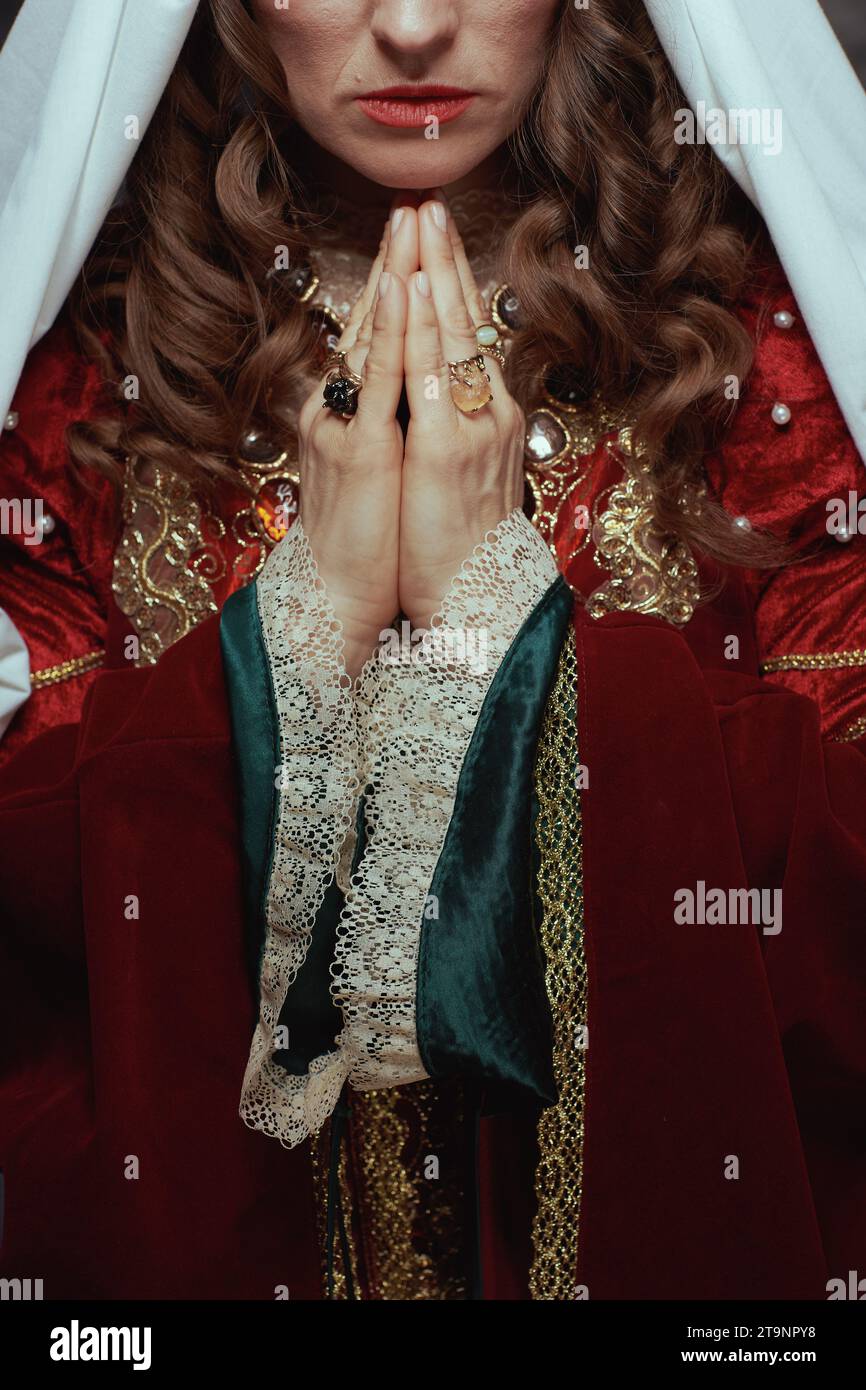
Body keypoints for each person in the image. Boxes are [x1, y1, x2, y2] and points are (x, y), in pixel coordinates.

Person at [0, 0, 865, 1301]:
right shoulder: (74, 378)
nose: (410, 27)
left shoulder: (760, 350)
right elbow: (30, 942)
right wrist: (301, 629)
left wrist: (512, 638)